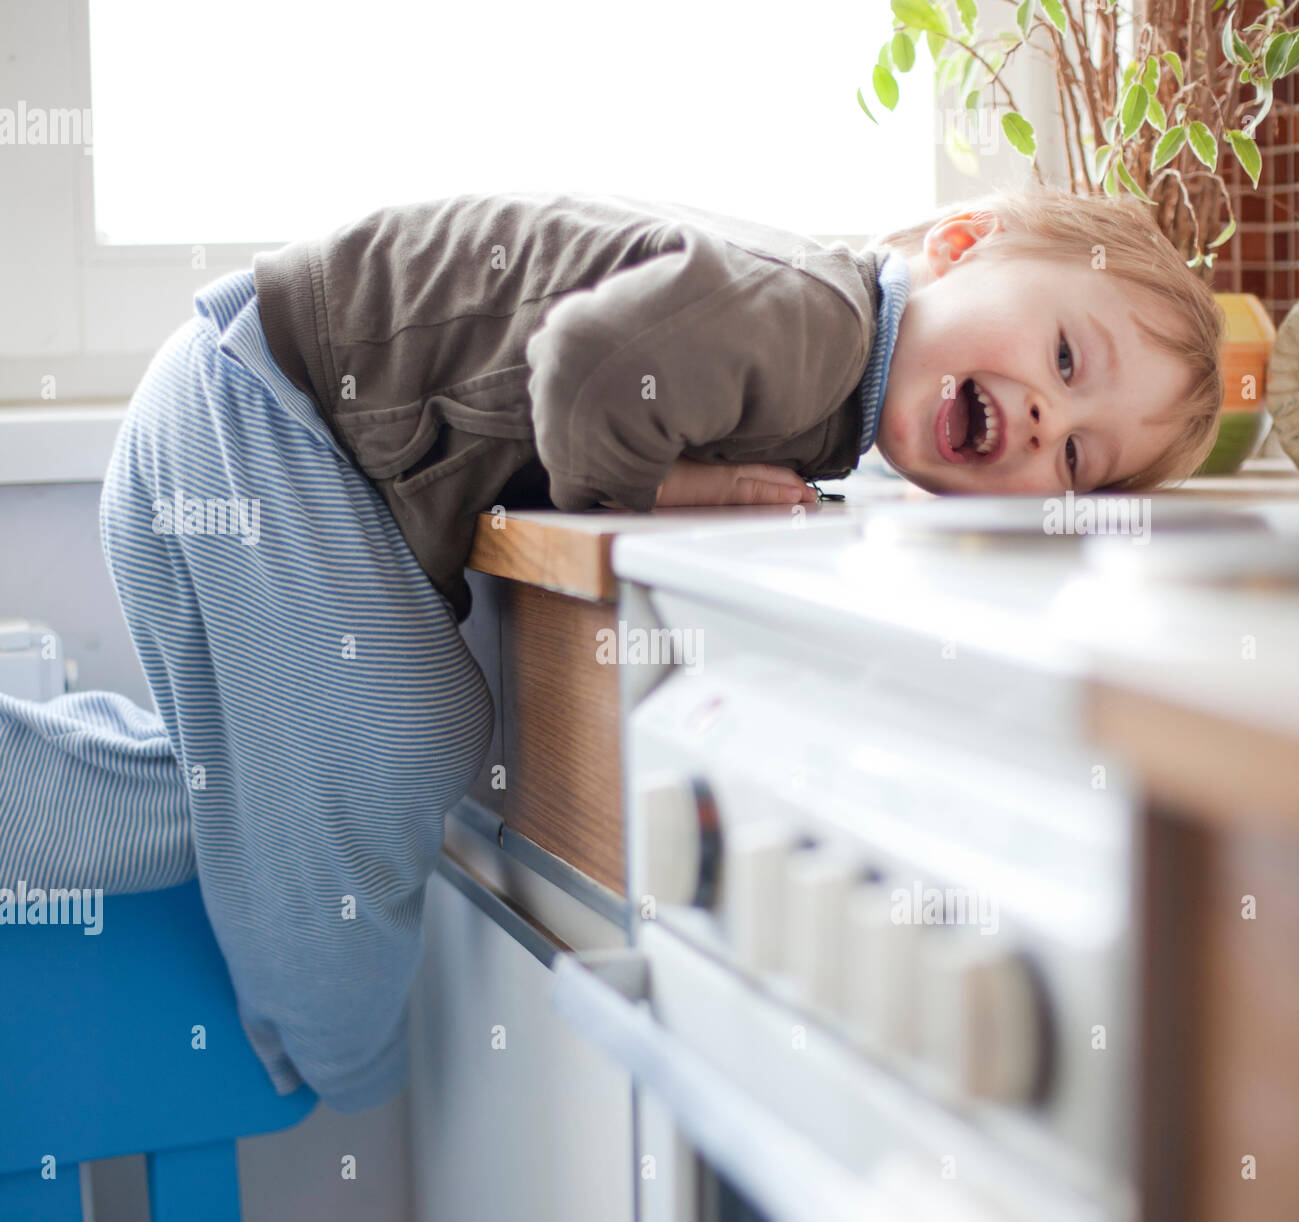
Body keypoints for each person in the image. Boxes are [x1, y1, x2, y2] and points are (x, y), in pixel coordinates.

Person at [0, 186, 1223, 1111]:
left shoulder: (828, 359)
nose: (1047, 420)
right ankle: (326, 1053)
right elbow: (588, 372)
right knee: (409, 733)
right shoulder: (819, 326)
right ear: (959, 245)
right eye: (1065, 359)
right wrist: (668, 491)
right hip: (255, 420)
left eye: (1074, 459)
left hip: (234, 401)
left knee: (232, 792)